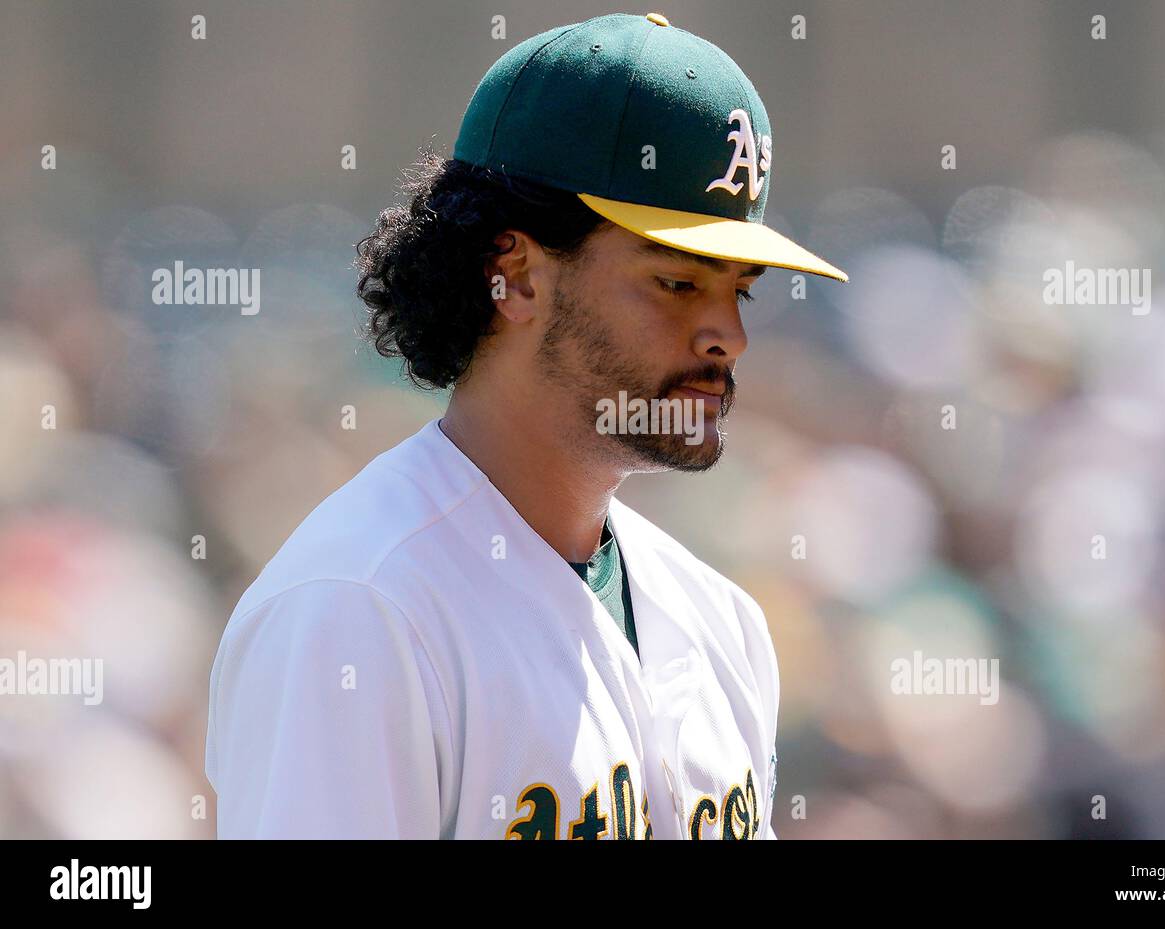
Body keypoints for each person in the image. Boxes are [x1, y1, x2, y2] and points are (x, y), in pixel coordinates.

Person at [205, 11, 847, 839]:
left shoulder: (721, 619)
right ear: (518, 275)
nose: (729, 334)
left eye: (741, 289)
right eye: (679, 283)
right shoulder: (359, 608)